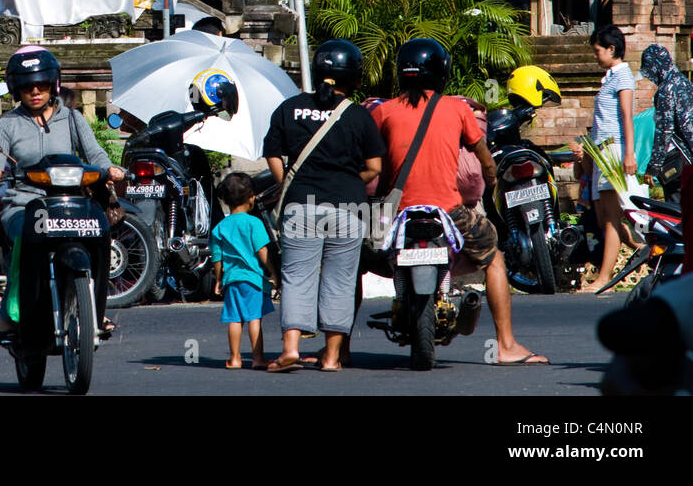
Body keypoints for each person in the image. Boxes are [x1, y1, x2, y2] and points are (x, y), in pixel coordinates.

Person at [371, 38, 548, 365]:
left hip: (396, 214)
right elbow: (483, 156)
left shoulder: (383, 111)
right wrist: (491, 176)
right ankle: (506, 345)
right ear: (442, 73)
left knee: (354, 256)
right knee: (494, 258)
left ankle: (335, 350)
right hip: (448, 211)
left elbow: (370, 160)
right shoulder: (457, 109)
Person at [0, 46, 126, 331]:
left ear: (53, 85)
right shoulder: (7, 123)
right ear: (16, 90)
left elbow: (95, 154)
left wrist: (109, 169)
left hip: (69, 203)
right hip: (24, 204)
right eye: (27, 87)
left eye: (42, 85)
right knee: (25, 234)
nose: (35, 91)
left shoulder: (73, 118)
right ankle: (12, 310)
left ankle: (96, 309)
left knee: (98, 234)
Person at [262, 39, 385, 372]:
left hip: (300, 205)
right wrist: (346, 178)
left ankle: (290, 349)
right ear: (355, 78)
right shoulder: (360, 116)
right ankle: (331, 357)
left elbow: (273, 152)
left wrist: (285, 182)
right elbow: (375, 167)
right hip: (348, 208)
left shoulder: (289, 108)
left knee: (297, 276)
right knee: (341, 280)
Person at [569, 25, 640, 293]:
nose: (596, 56)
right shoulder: (609, 77)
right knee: (602, 217)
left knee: (611, 217)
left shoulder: (622, 76)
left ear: (612, 49)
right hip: (600, 152)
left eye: (598, 51)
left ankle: (604, 280)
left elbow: (626, 116)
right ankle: (645, 251)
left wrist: (629, 154)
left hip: (614, 150)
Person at [210, 171, 279, 369]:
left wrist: (218, 279)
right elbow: (262, 251)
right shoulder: (254, 223)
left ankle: (235, 358)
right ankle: (258, 358)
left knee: (234, 319)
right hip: (253, 279)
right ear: (251, 197)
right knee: (253, 318)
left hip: (232, 279)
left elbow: (217, 258)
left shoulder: (220, 227)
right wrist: (273, 272)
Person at [637, 43, 693, 239]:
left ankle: (677, 256)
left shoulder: (665, 89)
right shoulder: (684, 82)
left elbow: (664, 131)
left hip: (680, 158)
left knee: (675, 209)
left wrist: (653, 167)